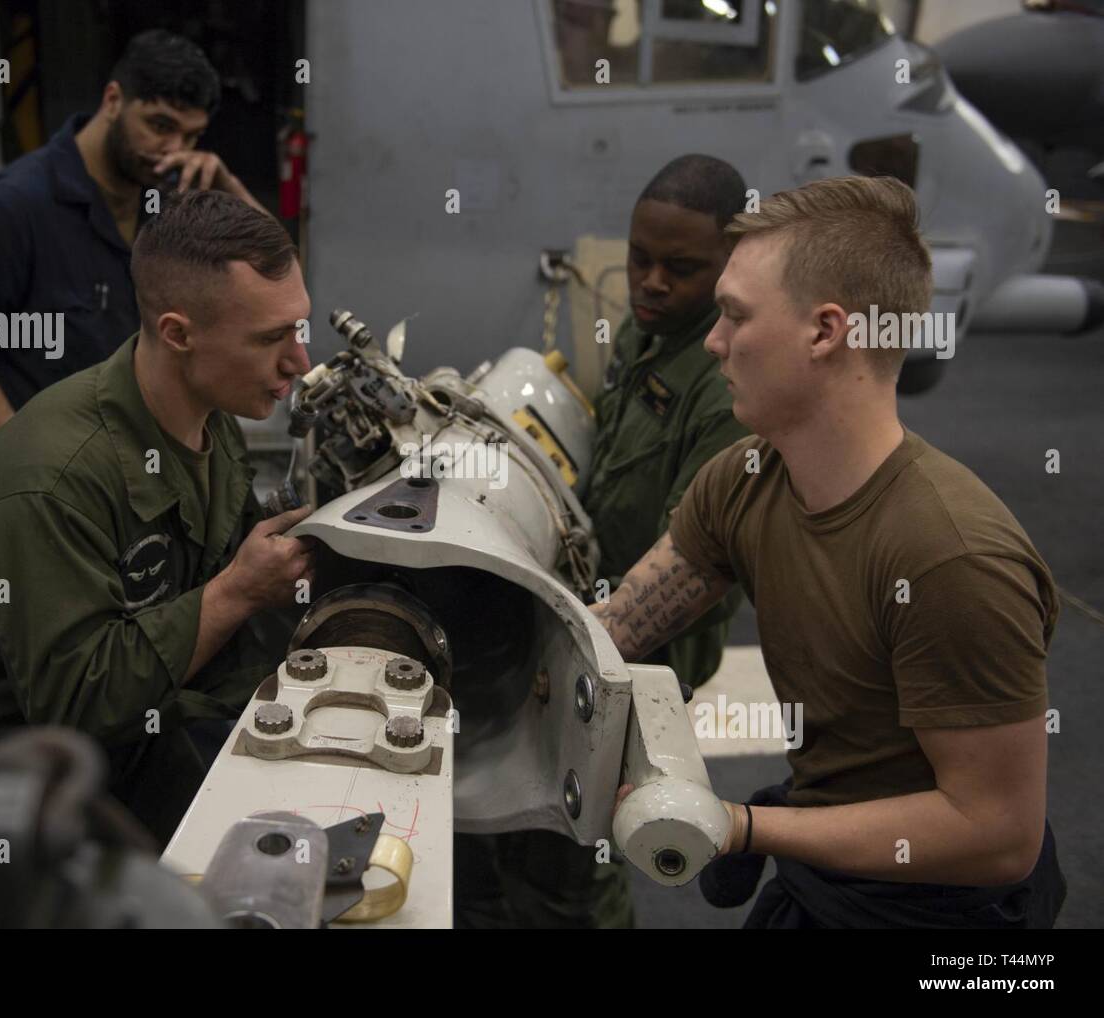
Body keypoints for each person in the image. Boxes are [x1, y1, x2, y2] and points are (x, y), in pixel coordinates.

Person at [598, 175, 1066, 928]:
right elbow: (611, 632)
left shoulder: (952, 557)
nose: (713, 341)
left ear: (824, 332)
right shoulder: (745, 478)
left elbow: (997, 835)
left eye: (734, 316)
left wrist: (740, 826)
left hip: (943, 913)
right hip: (825, 867)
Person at [0, 191, 315, 844]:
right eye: (271, 338)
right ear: (178, 334)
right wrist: (239, 590)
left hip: (148, 733)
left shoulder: (211, 421)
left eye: (300, 328)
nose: (298, 362)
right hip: (16, 785)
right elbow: (76, 704)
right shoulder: (50, 480)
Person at [454, 155, 750, 929]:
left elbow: (702, 563)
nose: (651, 281)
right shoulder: (645, 335)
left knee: (570, 859)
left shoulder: (724, 388)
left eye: (681, 268)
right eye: (639, 258)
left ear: (732, 262)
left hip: (639, 648)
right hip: (576, 615)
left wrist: (588, 645)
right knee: (499, 828)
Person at [0, 28, 266, 459]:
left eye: (191, 136)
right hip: (46, 489)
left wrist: (230, 186)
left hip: (135, 474)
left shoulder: (166, 199)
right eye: (159, 126)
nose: (174, 149)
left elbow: (272, 268)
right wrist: (23, 452)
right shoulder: (14, 206)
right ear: (113, 100)